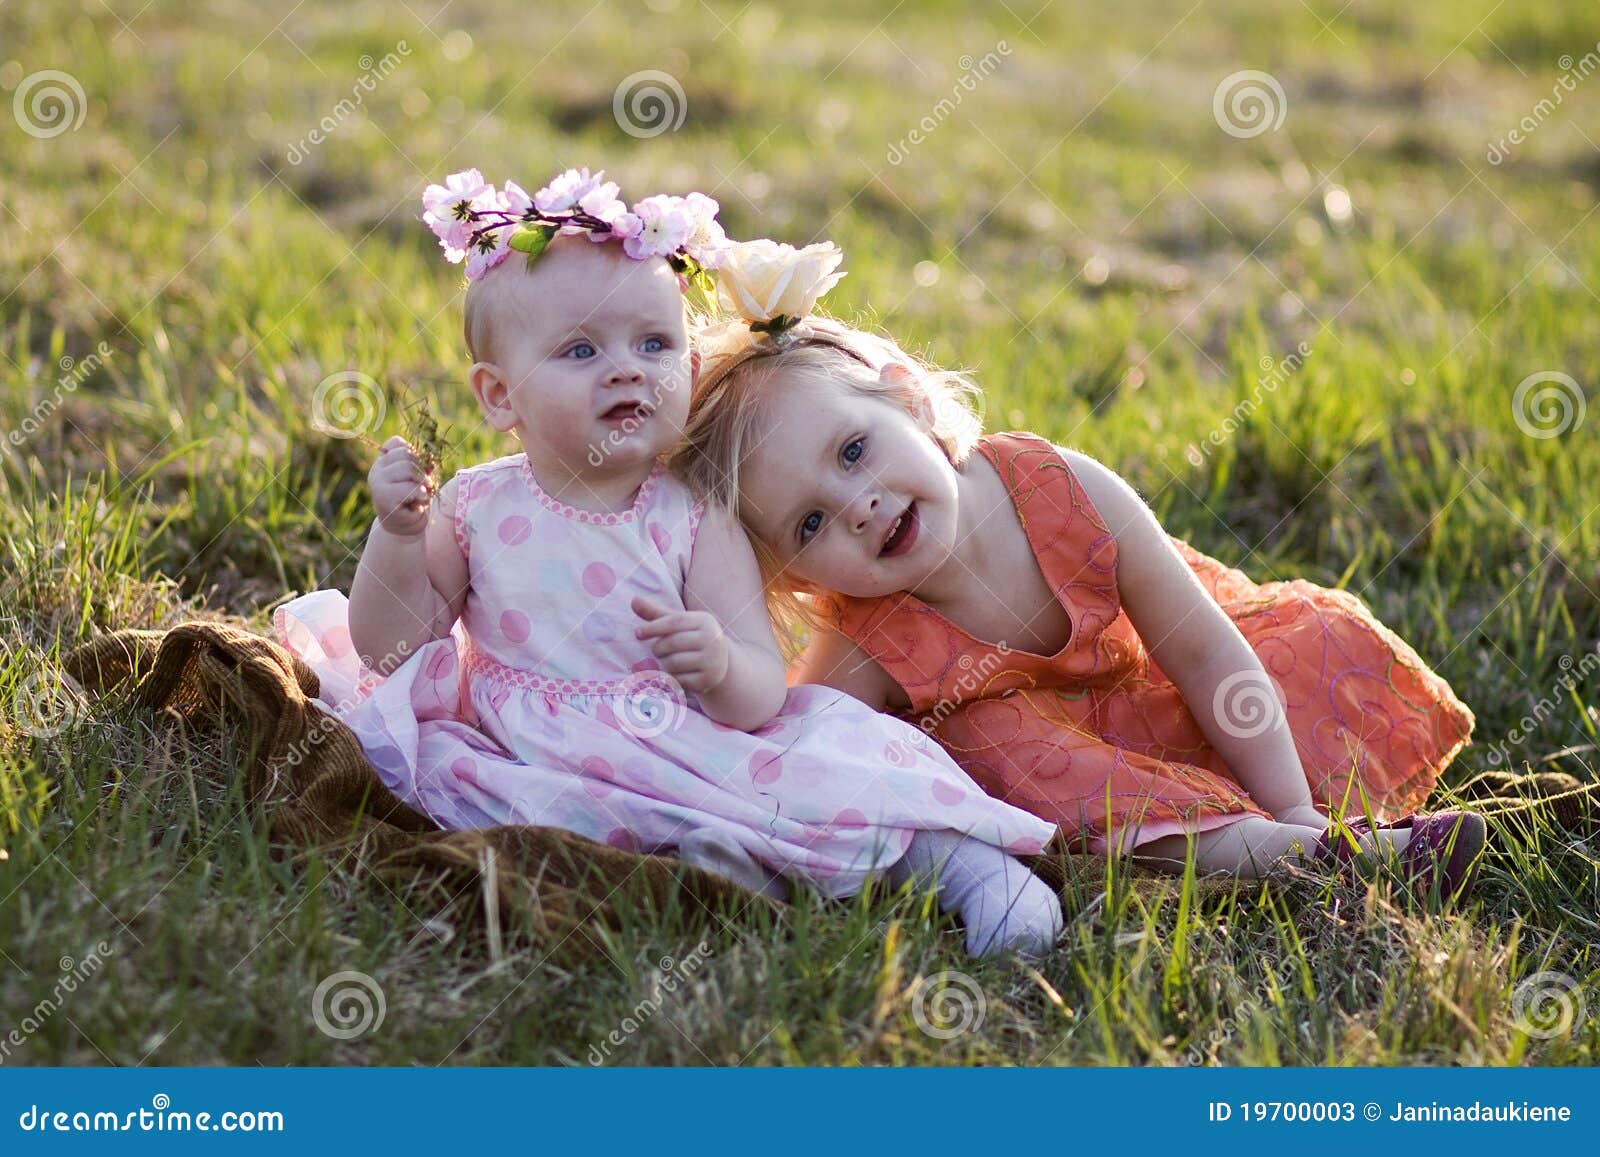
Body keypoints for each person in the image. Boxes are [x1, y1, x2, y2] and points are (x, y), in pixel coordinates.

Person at [274, 169, 1063, 956]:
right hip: (537, 757)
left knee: (836, 767)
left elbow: (759, 689)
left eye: (653, 344)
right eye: (581, 349)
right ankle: (729, 873)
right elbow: (388, 646)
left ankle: (968, 868)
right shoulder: (478, 508)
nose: (625, 368)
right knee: (545, 830)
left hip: (690, 739)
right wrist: (399, 535)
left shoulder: (693, 517)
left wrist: (719, 661)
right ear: (498, 396)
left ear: (686, 373)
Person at [675, 236, 1487, 900]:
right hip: (1088, 790)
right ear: (801, 577)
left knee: (1312, 640)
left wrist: (1293, 800)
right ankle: (1313, 860)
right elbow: (806, 758)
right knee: (1005, 743)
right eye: (810, 522)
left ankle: (1305, 828)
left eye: (854, 451)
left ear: (910, 400)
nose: (859, 504)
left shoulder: (1061, 489)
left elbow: (1204, 653)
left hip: (1173, 703)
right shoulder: (866, 641)